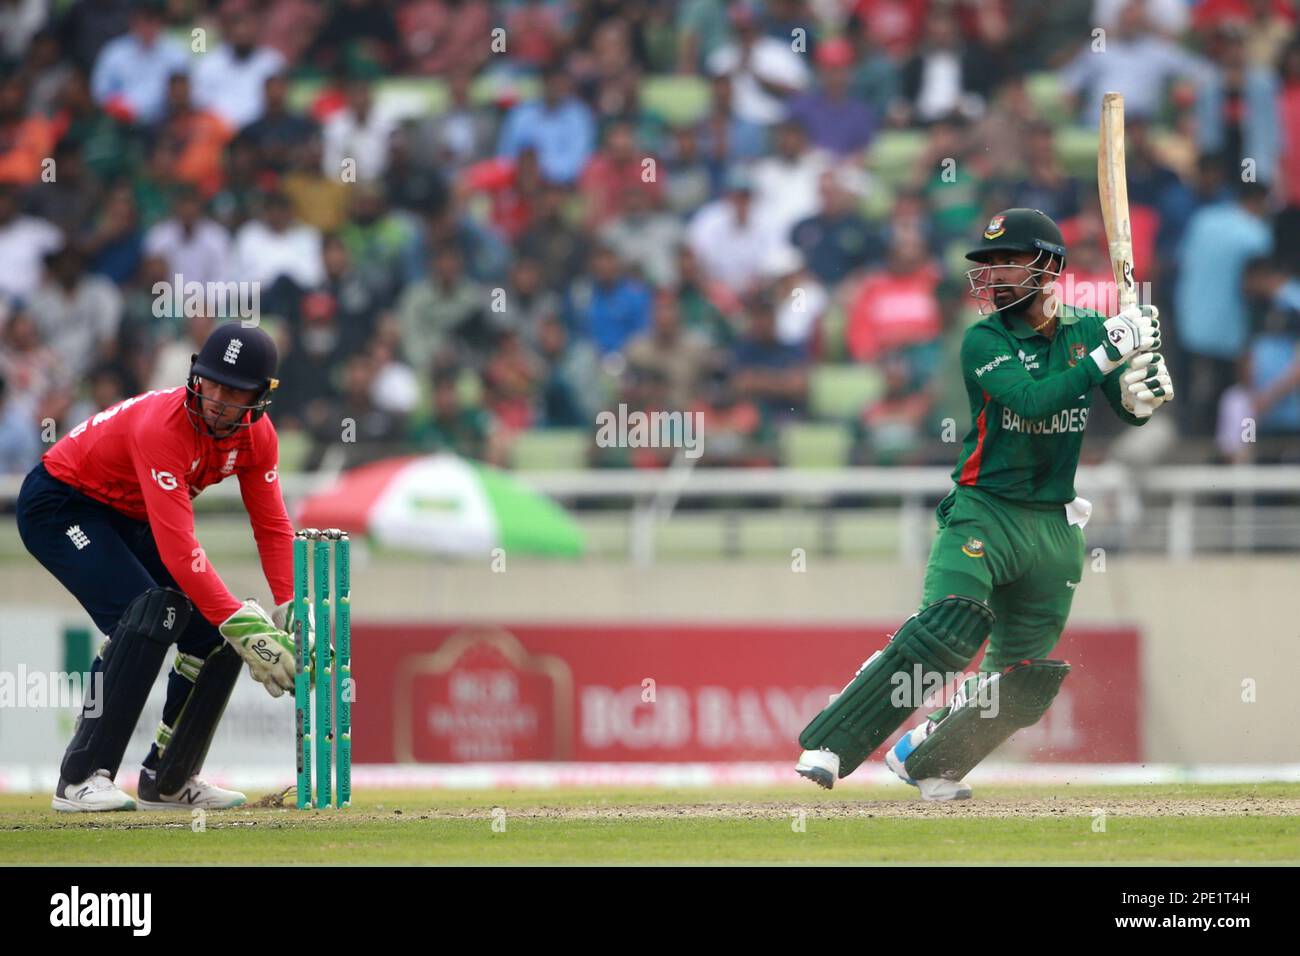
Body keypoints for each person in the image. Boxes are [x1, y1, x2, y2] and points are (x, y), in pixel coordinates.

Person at [794, 208, 1173, 800]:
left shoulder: (1089, 330)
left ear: (1048, 266)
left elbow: (1122, 409)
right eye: (988, 263)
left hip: (1053, 524)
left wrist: (1140, 388)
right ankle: (832, 744)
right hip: (984, 510)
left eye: (1007, 260)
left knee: (1020, 682)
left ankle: (927, 760)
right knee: (945, 632)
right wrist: (1108, 355)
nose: (993, 274)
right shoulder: (983, 339)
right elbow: (1032, 402)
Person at [15, 324, 300, 812]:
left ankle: (168, 779)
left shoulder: (258, 440)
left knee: (212, 637)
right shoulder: (163, 428)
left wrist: (292, 608)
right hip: (61, 505)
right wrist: (245, 625)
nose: (216, 399)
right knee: (148, 613)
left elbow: (272, 526)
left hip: (129, 515)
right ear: (196, 376)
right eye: (211, 382)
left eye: (233, 391)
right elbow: (178, 551)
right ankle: (80, 778)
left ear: (260, 397)